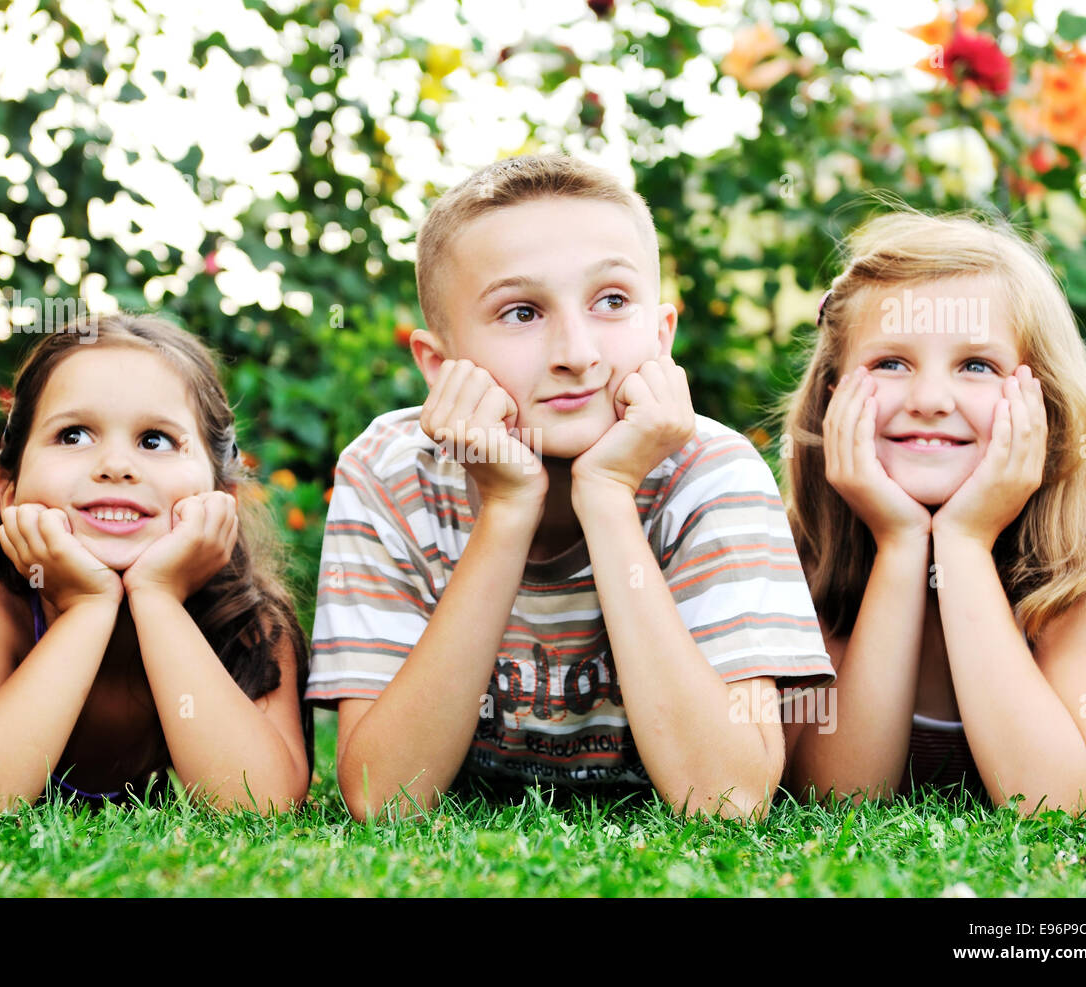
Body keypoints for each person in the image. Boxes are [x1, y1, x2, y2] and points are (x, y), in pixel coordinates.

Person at [306, 154, 833, 821]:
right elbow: (386, 798)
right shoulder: (388, 474)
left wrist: (610, 494)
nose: (577, 352)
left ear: (661, 336)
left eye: (611, 301)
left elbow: (730, 798)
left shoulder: (714, 474)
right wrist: (506, 510)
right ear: (440, 368)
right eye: (522, 312)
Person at [0, 314, 310, 815]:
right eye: (74, 436)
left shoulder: (246, 620)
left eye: (155, 440)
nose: (115, 466)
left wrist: (158, 598)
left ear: (221, 496)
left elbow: (260, 805)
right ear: (9, 492)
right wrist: (88, 607)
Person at [779, 211, 1086, 816]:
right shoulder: (798, 557)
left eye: (977, 366)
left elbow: (1057, 804)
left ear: (1043, 399)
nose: (928, 402)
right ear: (832, 394)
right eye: (890, 363)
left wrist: (965, 542)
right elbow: (837, 802)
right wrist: (898, 543)